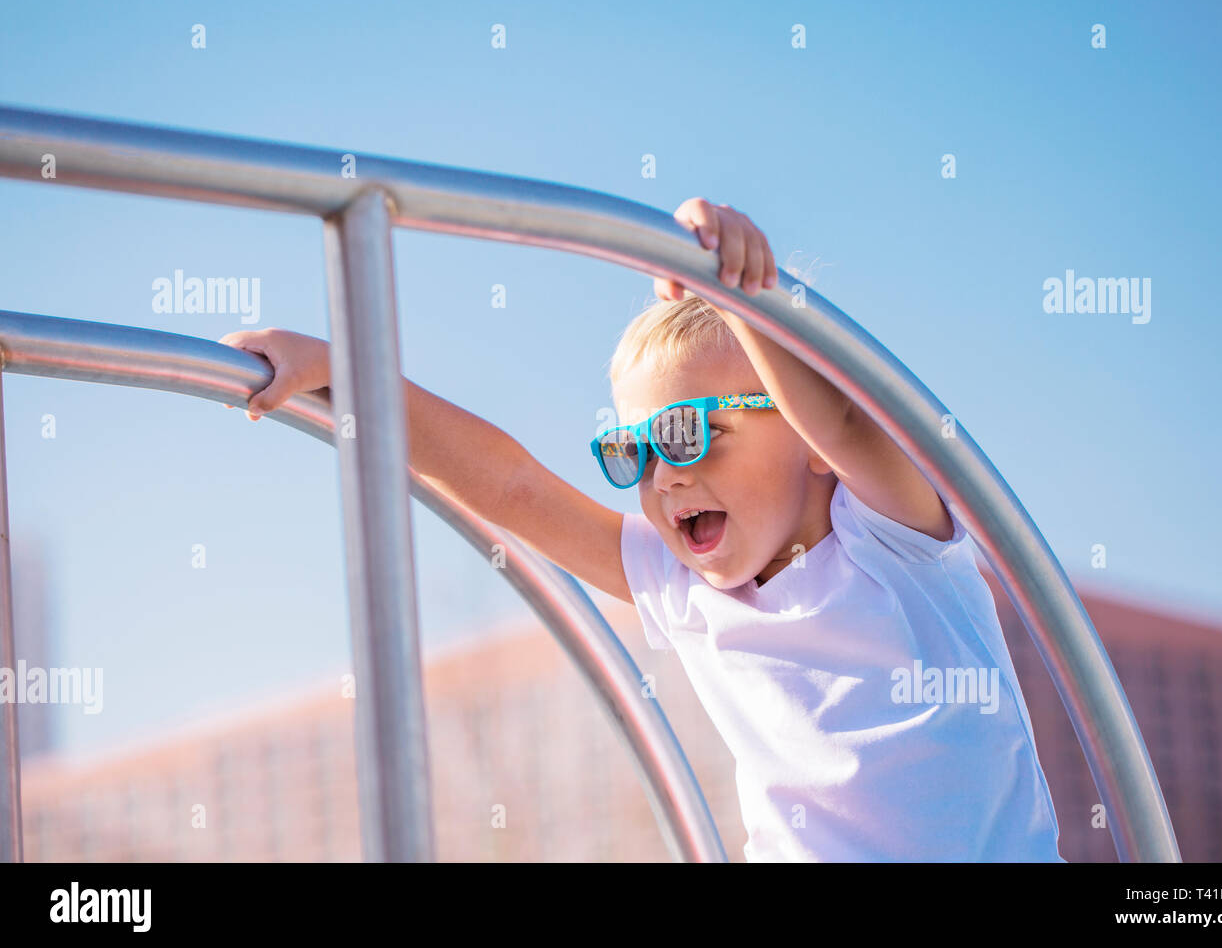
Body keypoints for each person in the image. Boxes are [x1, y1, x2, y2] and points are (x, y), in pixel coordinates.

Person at [219, 197, 1064, 862]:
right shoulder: (687, 587)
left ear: (801, 440)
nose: (665, 476)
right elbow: (509, 485)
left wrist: (739, 293)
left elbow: (843, 419)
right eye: (635, 450)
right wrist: (347, 371)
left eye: (693, 432)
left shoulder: (898, 538)